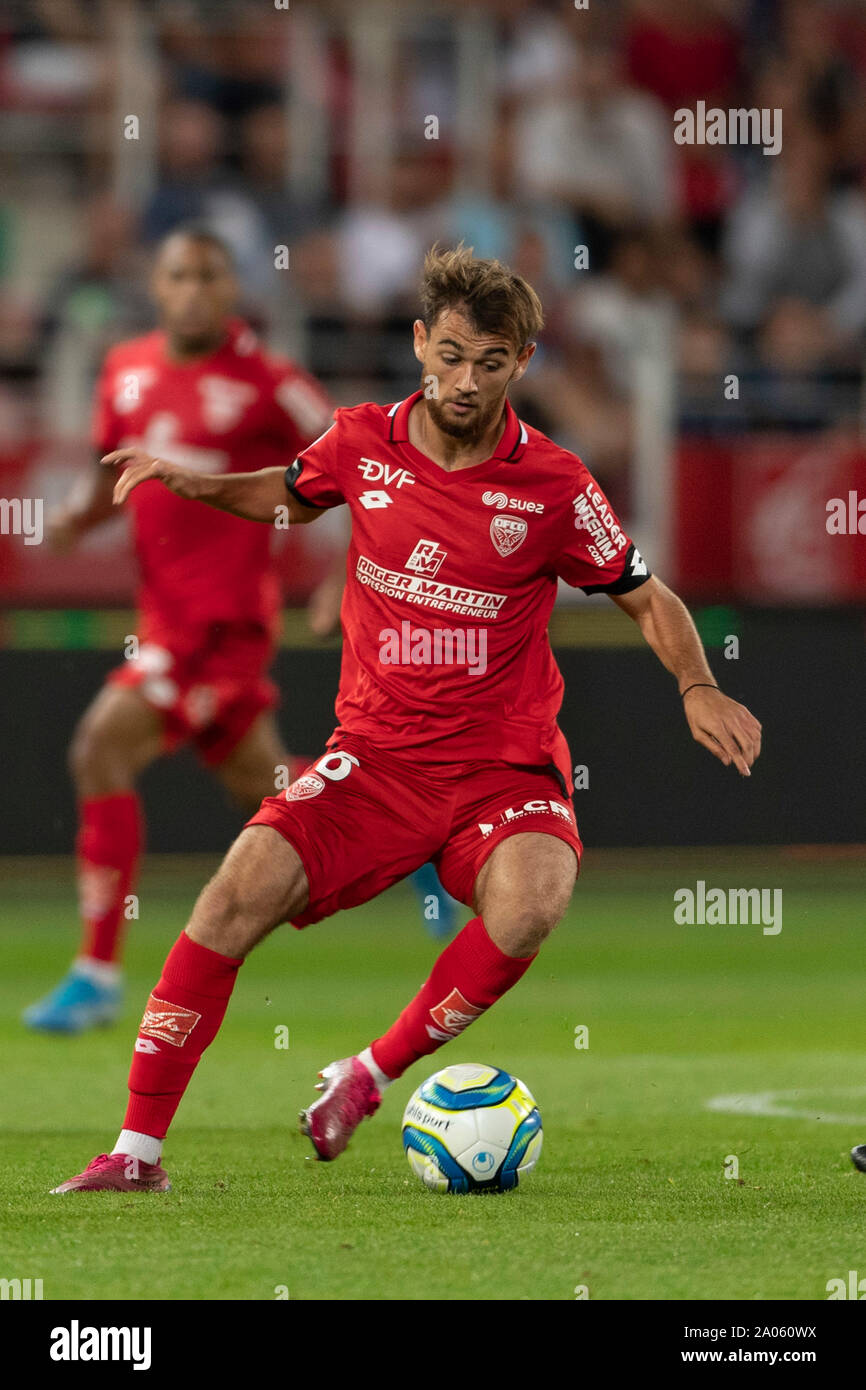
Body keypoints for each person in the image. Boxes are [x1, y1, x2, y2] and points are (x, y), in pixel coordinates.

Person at [50, 244, 761, 1192]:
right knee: (230, 897)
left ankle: (367, 1073)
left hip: (503, 769)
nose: (467, 381)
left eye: (492, 362)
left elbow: (644, 593)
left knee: (532, 902)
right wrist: (193, 481)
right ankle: (136, 1155)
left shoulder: (552, 484)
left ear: (522, 364)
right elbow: (291, 496)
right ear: (422, 342)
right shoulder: (359, 440)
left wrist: (696, 685)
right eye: (452, 355)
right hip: (374, 762)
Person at [24, 226, 336, 1035]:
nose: (193, 289)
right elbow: (111, 472)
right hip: (163, 620)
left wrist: (349, 572)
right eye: (177, 275)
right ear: (156, 288)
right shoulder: (125, 369)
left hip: (222, 630)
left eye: (208, 275)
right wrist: (75, 521)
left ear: (232, 288)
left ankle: (95, 972)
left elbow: (363, 465)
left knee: (99, 746)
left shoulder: (270, 383)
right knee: (268, 794)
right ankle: (402, 838)